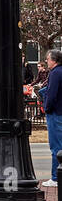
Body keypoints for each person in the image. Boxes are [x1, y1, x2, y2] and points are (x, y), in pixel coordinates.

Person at [35, 49, 62, 188]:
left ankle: (55, 177)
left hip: (55, 114)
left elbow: (52, 93)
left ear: (54, 60)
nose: (46, 60)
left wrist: (46, 108)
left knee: (56, 146)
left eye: (48, 58)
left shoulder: (55, 73)